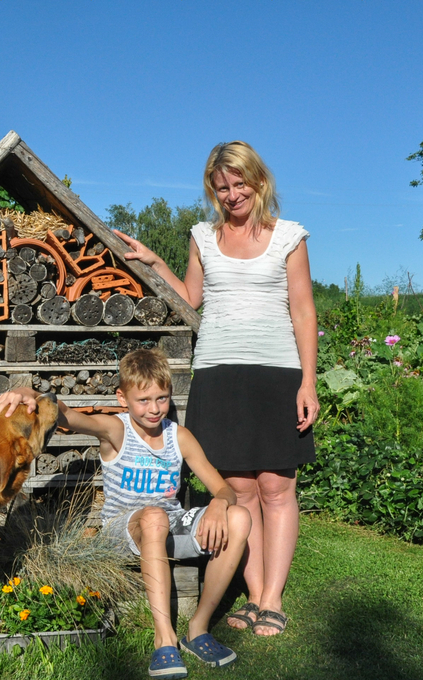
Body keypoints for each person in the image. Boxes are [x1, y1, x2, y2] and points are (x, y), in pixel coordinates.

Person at [115, 141, 319, 637]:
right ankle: (252, 594)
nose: (231, 194)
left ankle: (273, 598)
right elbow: (191, 298)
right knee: (241, 491)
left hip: (277, 372)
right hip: (218, 371)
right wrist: (152, 261)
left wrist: (308, 381)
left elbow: (303, 310)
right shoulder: (202, 237)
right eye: (221, 187)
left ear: (258, 180)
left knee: (277, 487)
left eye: (239, 183)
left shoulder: (289, 236)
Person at [0, 349, 250, 677]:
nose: (154, 409)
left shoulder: (178, 437)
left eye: (162, 398)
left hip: (166, 526)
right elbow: (66, 415)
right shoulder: (115, 430)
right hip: (121, 531)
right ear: (122, 398)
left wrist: (219, 505)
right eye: (144, 400)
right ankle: (163, 639)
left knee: (239, 518)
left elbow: (224, 489)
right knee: (153, 517)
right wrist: (29, 394)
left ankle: (198, 628)